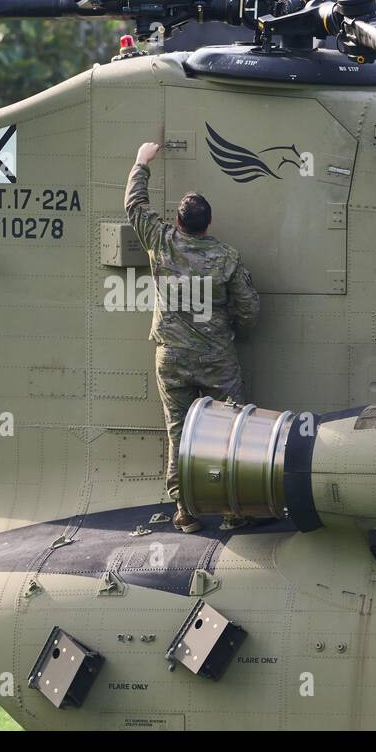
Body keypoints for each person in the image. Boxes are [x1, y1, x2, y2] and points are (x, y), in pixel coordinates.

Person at [125, 140, 260, 533]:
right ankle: (233, 509)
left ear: (179, 222)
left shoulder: (162, 241)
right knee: (232, 431)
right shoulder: (226, 257)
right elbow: (249, 310)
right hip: (217, 356)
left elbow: (135, 206)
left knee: (179, 430)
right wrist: (232, 328)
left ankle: (185, 511)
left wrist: (142, 162)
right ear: (208, 224)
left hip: (172, 358)